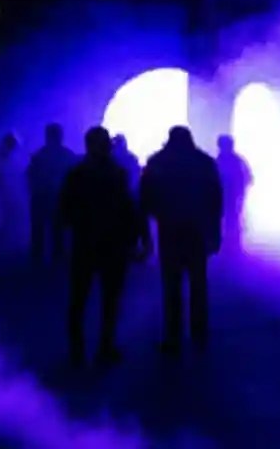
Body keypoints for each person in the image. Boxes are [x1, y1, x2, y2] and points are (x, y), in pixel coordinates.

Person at [60, 127, 145, 367]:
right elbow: (129, 208)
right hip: (113, 246)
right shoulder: (117, 174)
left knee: (79, 299)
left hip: (85, 244)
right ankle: (105, 347)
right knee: (110, 300)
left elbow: (65, 209)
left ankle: (77, 351)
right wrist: (137, 240)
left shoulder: (76, 174)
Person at [140, 126, 223, 355]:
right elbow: (215, 199)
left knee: (171, 285)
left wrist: (145, 232)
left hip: (170, 229)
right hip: (197, 230)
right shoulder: (204, 162)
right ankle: (199, 333)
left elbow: (145, 196)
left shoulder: (158, 161)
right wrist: (215, 232)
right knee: (198, 283)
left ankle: (173, 336)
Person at [27, 123, 78, 264]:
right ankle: (57, 259)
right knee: (58, 232)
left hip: (42, 198)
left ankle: (37, 260)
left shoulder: (39, 155)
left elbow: (30, 176)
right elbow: (75, 178)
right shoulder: (67, 155)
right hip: (58, 199)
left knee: (40, 231)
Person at [215, 135, 252, 256]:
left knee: (231, 220)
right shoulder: (237, 160)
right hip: (229, 196)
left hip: (230, 196)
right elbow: (248, 178)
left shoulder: (220, 161)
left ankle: (231, 246)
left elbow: (248, 178)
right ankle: (232, 246)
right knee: (231, 220)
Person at [0, 134, 28, 255]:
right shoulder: (6, 159)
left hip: (9, 196)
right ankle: (11, 249)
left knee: (10, 223)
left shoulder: (3, 158)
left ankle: (10, 248)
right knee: (11, 223)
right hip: (10, 196)